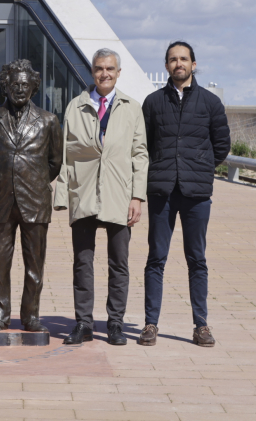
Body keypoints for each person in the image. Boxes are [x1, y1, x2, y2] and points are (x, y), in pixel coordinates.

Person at [138, 41, 230, 348]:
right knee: (156, 259)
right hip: (161, 192)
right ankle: (150, 324)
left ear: (193, 64)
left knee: (197, 259)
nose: (179, 64)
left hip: (196, 194)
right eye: (173, 59)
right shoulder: (153, 102)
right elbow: (144, 144)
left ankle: (201, 325)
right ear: (166, 66)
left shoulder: (210, 103)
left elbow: (222, 145)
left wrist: (199, 168)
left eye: (184, 59)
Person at [55, 48, 148, 346]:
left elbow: (139, 155)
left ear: (118, 73)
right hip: (83, 193)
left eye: (109, 69)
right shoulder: (76, 107)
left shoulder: (132, 108)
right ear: (92, 72)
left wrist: (137, 197)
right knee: (82, 262)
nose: (104, 73)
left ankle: (115, 323)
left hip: (119, 194)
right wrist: (62, 195)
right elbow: (66, 155)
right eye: (99, 68)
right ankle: (83, 322)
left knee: (118, 263)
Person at [0, 59, 63, 334]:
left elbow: (55, 162)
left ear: (34, 86)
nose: (20, 89)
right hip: (1, 200)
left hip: (35, 201)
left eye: (25, 84)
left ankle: (31, 316)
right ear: (5, 86)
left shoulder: (49, 121)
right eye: (14, 84)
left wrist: (32, 180)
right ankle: (0, 315)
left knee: (34, 265)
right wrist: (5, 180)